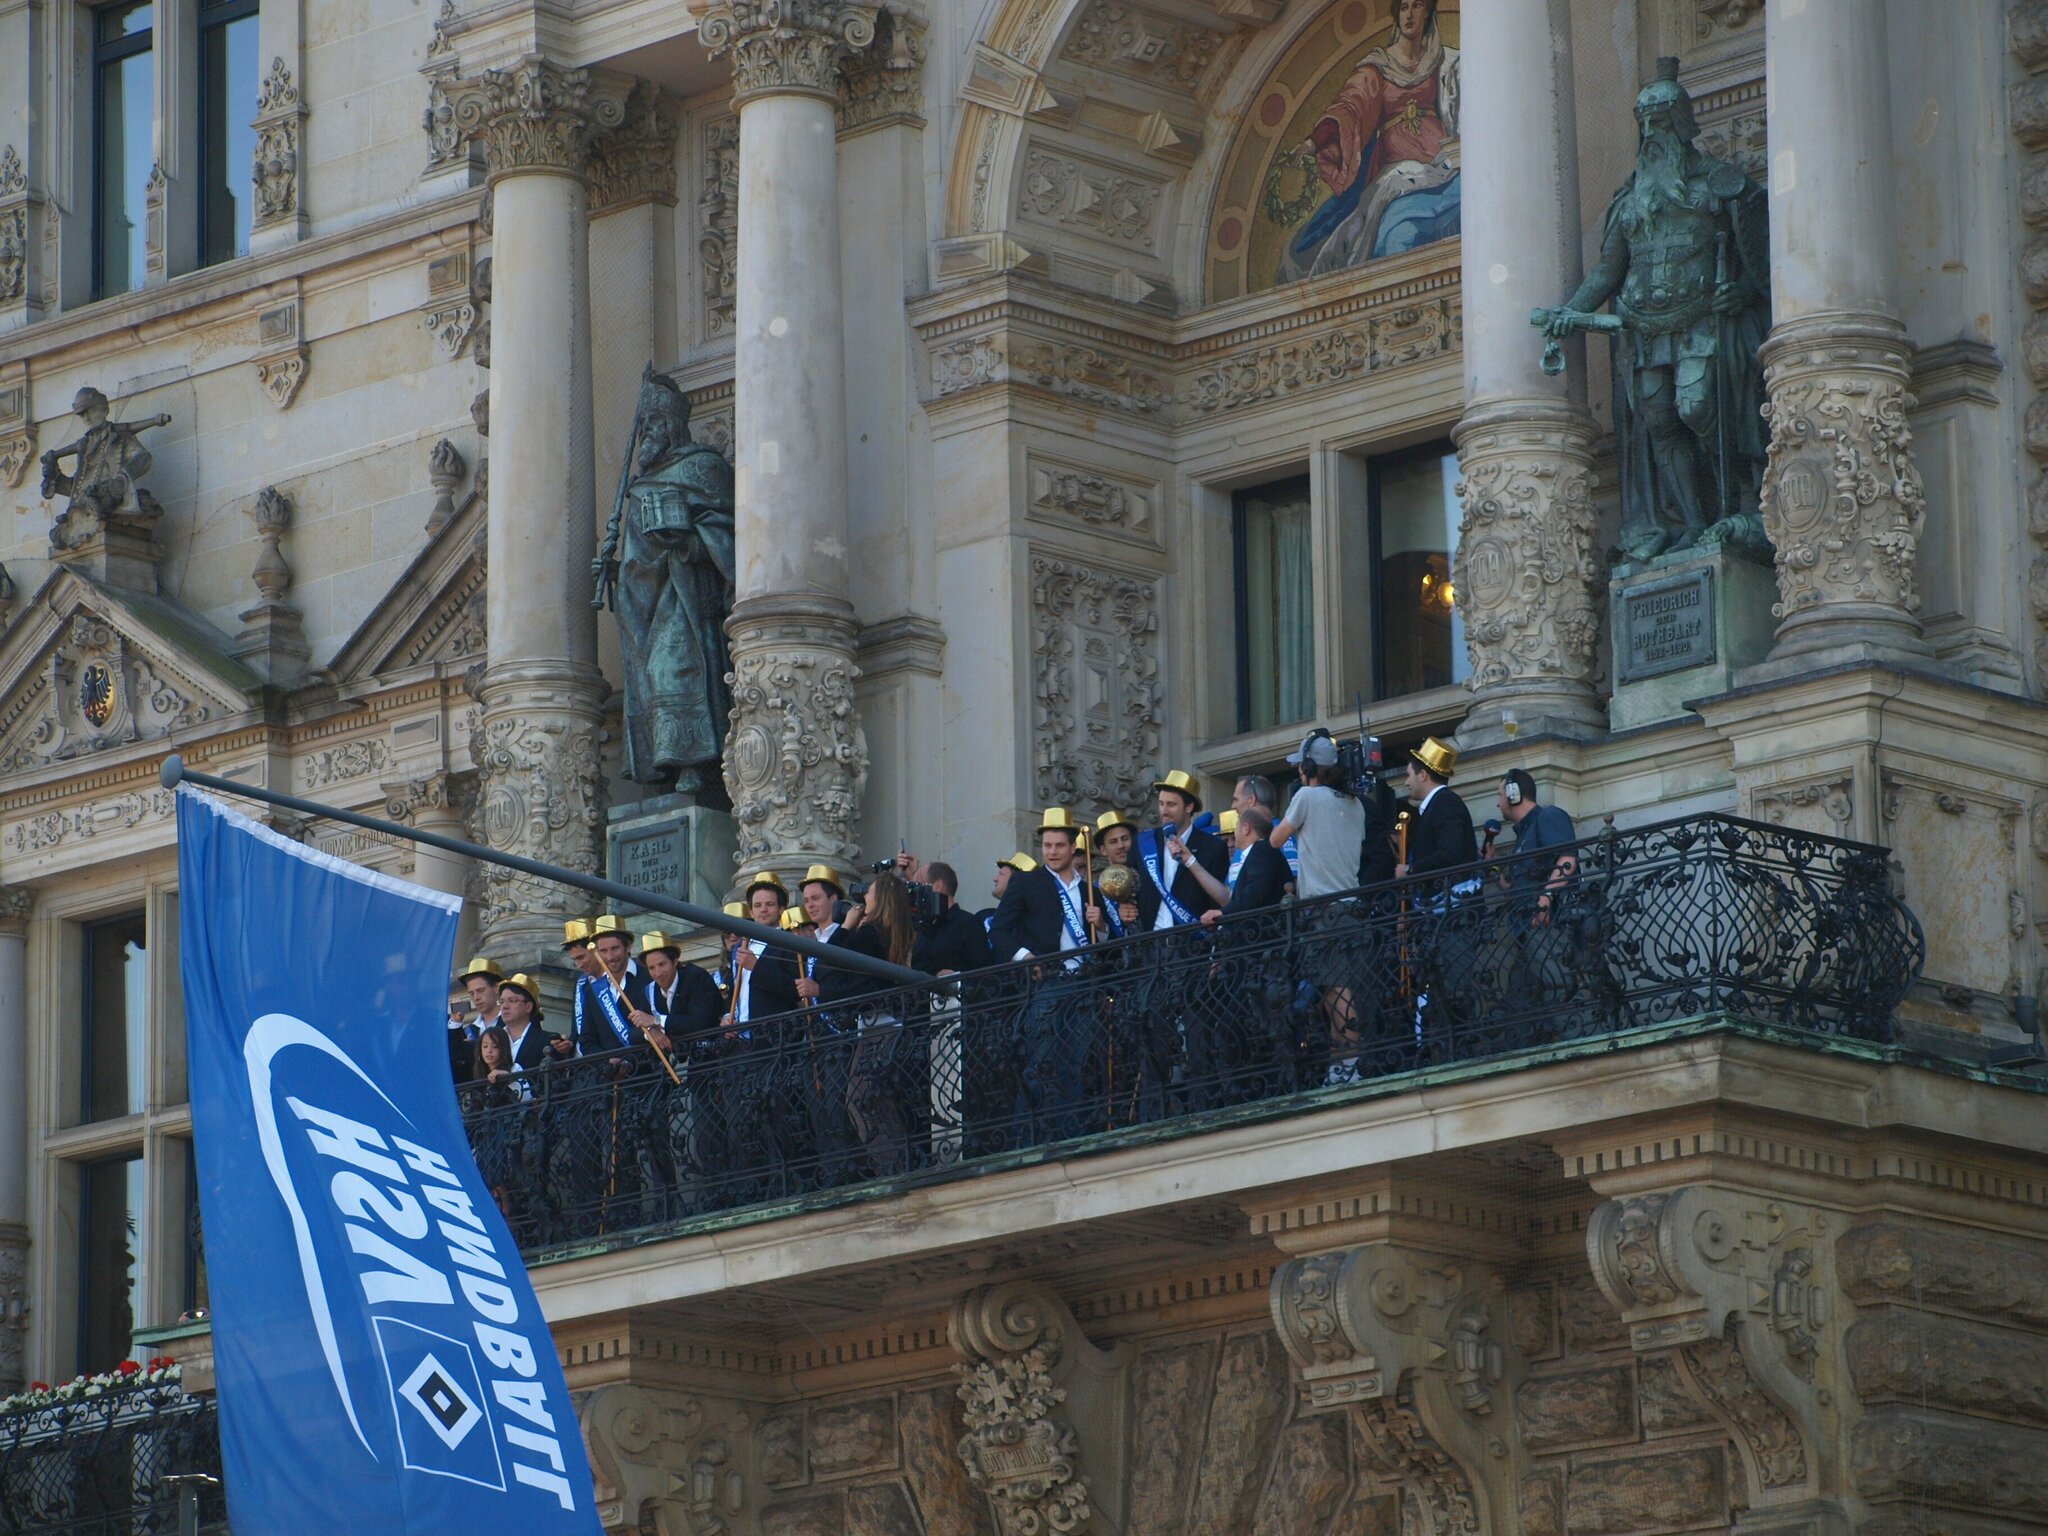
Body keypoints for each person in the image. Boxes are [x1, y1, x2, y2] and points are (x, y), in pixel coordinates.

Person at [1277, 0, 1461, 284]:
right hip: (1399, 167)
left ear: (1428, 13)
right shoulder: (1378, 67)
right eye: (1403, 8)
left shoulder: (1444, 61)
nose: (1409, 14)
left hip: (1442, 160)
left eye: (1417, 6)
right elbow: (1349, 107)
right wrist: (1313, 143)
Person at [986, 809, 1102, 1144]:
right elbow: (1000, 930)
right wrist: (1025, 956)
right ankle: (1030, 1136)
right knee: (1041, 1059)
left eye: (1059, 846)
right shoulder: (1028, 881)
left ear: (1072, 847)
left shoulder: (1089, 888)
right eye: (1047, 845)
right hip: (1047, 980)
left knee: (1077, 1060)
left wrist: (1102, 923)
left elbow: (1106, 939)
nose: (1051, 851)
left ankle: (1072, 1132)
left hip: (1083, 981)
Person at [845, 872, 924, 1176]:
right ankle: (899, 1162)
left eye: (869, 893)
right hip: (893, 1024)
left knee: (860, 1099)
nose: (864, 897)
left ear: (881, 900)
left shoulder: (869, 933)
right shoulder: (900, 932)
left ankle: (890, 1167)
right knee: (880, 1098)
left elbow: (834, 966)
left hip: (877, 1028)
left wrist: (846, 927)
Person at [1134, 771, 1229, 930]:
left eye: (1171, 804)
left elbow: (1218, 901)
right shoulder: (1143, 843)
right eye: (1161, 803)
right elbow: (1131, 889)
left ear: (1189, 807)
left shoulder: (1213, 846)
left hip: (1194, 945)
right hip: (1151, 945)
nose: (1164, 811)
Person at [909, 861, 993, 975]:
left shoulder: (968, 924)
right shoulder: (922, 928)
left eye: (920, 886)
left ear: (938, 886)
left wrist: (957, 979)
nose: (917, 893)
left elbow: (986, 974)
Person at [497, 973, 570, 1071]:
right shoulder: (493, 1040)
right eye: (502, 1002)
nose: (504, 1006)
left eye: (512, 1000)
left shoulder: (548, 1041)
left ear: (528, 1007)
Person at [1091, 811, 1143, 936]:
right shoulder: (1095, 892)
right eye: (1113, 842)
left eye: (1125, 839)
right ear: (1103, 850)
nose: (1121, 846)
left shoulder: (1147, 877)